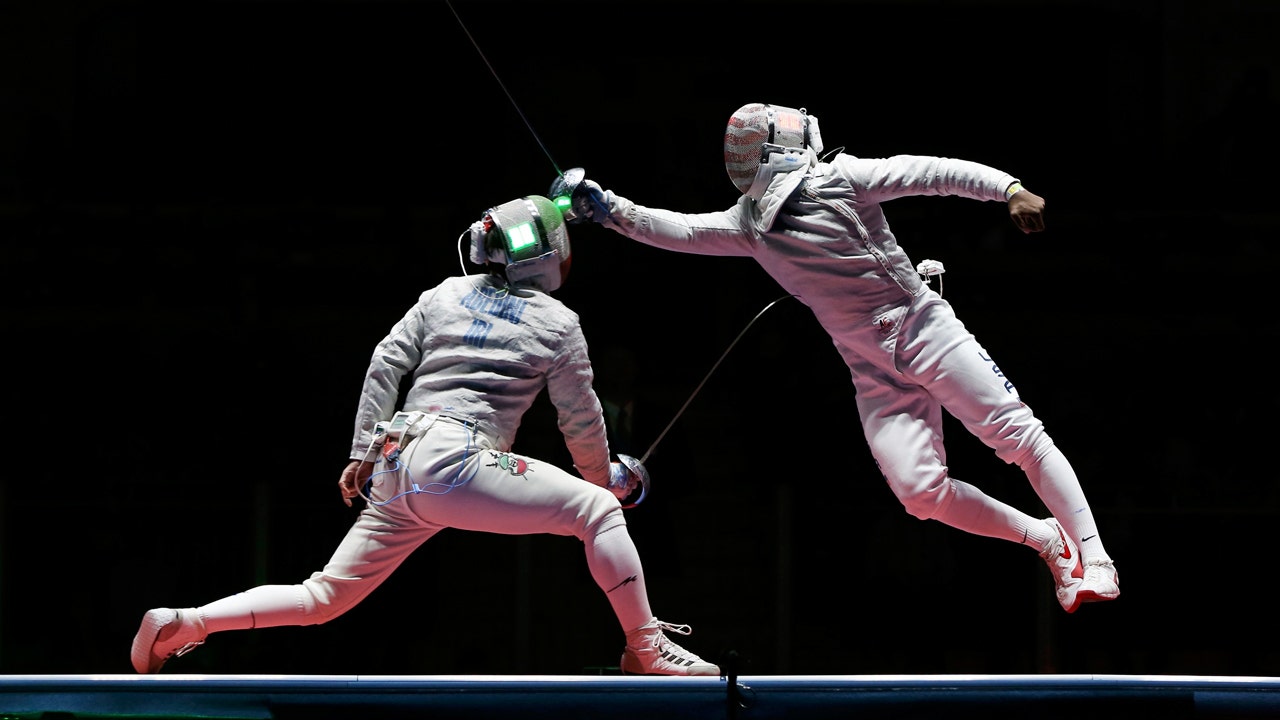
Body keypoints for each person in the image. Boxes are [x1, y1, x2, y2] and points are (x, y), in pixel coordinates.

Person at [553, 103, 1119, 613]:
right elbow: (677, 230)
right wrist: (608, 209)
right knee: (920, 494)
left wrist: (1007, 188)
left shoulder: (842, 178)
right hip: (871, 368)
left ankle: (1095, 559)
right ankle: (1044, 537)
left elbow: (932, 172)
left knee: (1018, 437)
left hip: (923, 327)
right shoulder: (749, 224)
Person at [130, 194, 719, 676]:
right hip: (457, 460)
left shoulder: (444, 293)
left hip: (396, 461)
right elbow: (581, 420)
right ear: (550, 255)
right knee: (596, 510)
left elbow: (386, 362)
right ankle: (645, 650)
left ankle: (188, 622)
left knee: (324, 598)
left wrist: (362, 451)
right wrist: (608, 482)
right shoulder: (559, 323)